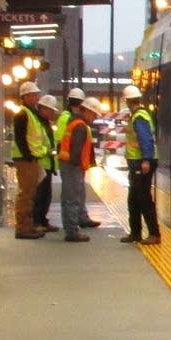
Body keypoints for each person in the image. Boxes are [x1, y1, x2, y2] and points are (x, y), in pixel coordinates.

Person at [56, 97, 105, 241]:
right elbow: (76, 150)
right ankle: (72, 232)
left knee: (68, 197)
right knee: (73, 198)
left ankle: (70, 229)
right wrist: (80, 165)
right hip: (73, 166)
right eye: (94, 115)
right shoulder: (80, 126)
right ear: (88, 111)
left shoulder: (74, 122)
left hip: (68, 164)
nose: (94, 118)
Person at [8, 81, 52, 239]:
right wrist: (28, 155)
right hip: (26, 159)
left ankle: (28, 225)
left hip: (31, 158)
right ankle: (23, 227)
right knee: (26, 193)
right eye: (33, 95)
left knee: (30, 193)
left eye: (36, 95)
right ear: (25, 97)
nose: (36, 98)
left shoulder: (30, 113)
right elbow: (21, 138)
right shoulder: (23, 114)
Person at [120, 84, 161, 246]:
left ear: (128, 101)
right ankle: (135, 232)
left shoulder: (140, 117)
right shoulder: (136, 116)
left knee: (143, 199)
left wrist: (146, 160)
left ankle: (154, 233)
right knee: (134, 199)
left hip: (141, 163)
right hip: (136, 162)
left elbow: (146, 139)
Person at [31, 94, 61, 235]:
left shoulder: (46, 124)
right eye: (50, 110)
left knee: (46, 195)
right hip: (40, 162)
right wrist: (47, 151)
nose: (52, 113)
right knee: (39, 195)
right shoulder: (38, 123)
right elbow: (36, 143)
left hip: (47, 163)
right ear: (42, 109)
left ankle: (42, 220)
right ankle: (36, 221)